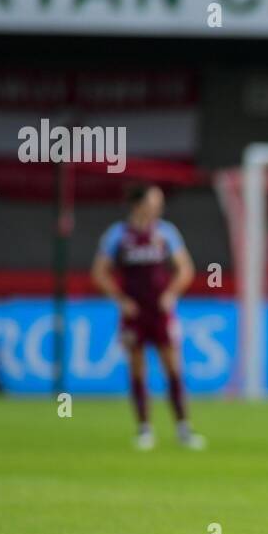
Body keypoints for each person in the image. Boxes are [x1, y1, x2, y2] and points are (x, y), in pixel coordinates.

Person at [92, 184, 205, 451]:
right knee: (137, 367)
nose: (158, 207)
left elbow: (185, 268)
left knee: (173, 367)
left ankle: (183, 428)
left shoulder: (166, 233)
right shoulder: (118, 235)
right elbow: (99, 272)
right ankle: (144, 428)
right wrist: (121, 300)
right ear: (138, 204)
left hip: (161, 311)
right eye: (154, 201)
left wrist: (171, 294)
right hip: (134, 312)